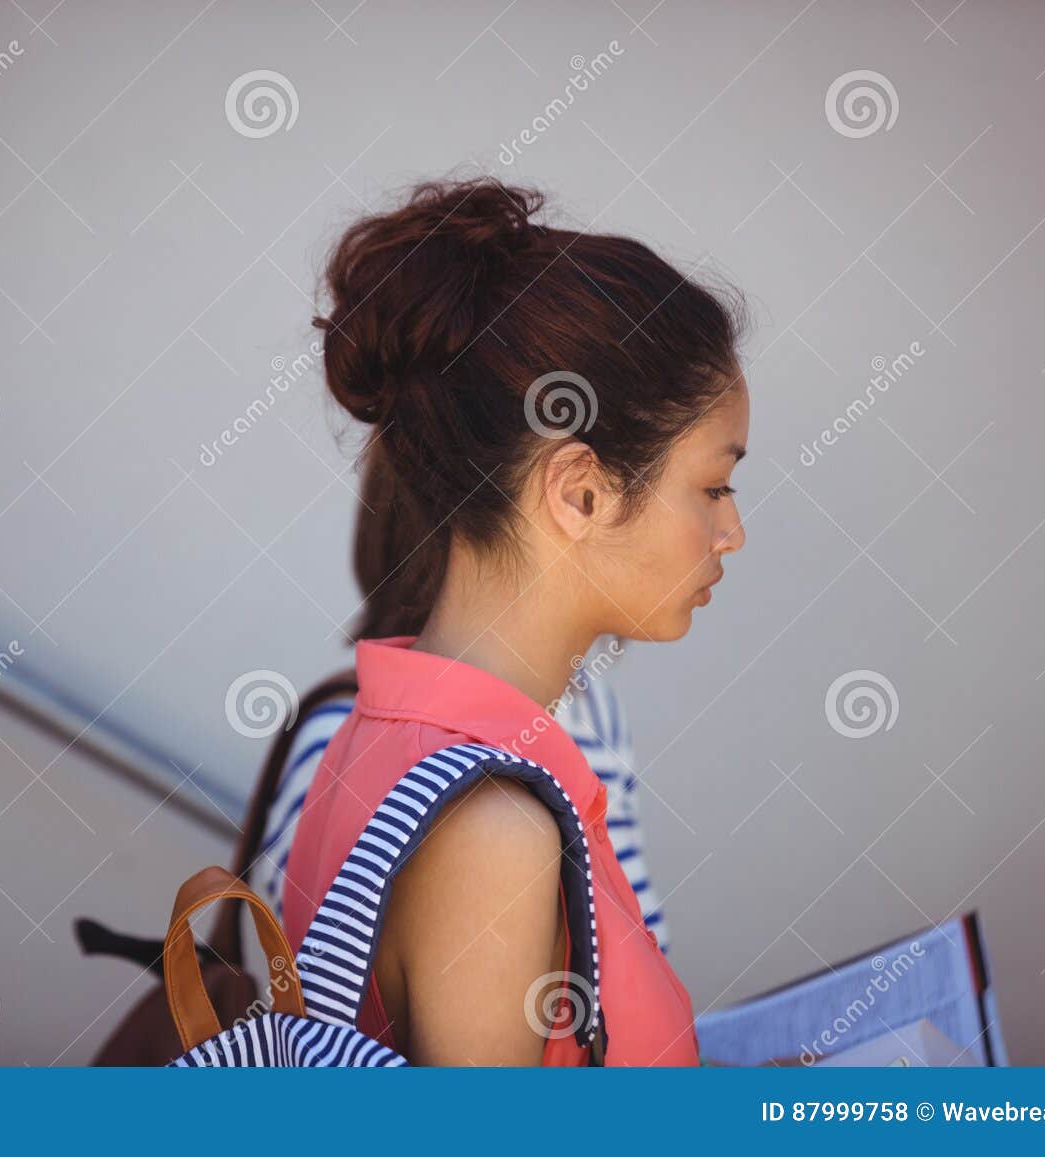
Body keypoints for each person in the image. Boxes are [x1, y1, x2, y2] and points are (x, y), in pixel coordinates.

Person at [279, 178, 748, 1066]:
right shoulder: (492, 830)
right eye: (714, 485)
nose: (732, 531)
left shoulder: (382, 729)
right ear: (580, 492)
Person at [249, 442, 673, 960]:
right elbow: (320, 991)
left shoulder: (592, 712)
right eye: (713, 488)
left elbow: (637, 950)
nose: (729, 535)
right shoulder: (343, 738)